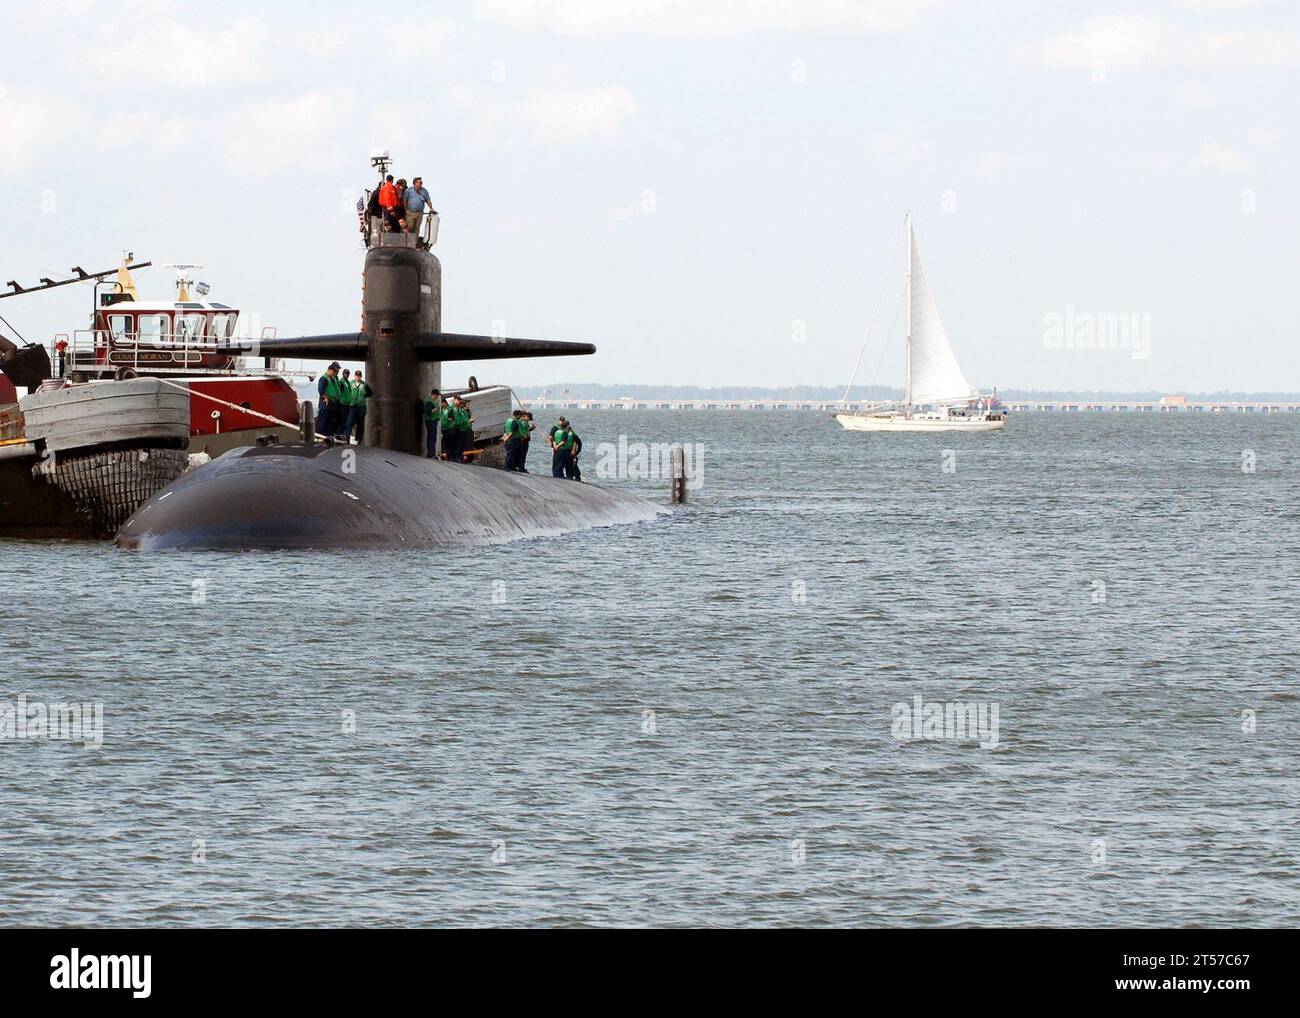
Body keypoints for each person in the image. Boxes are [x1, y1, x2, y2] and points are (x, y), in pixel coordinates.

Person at [404, 176, 435, 243]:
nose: (421, 184)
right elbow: (404, 200)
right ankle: (407, 242)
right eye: (419, 182)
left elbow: (428, 200)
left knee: (417, 228)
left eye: (421, 182)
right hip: (410, 212)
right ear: (415, 183)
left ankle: (414, 243)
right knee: (410, 227)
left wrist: (431, 208)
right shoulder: (409, 191)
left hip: (419, 213)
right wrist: (406, 209)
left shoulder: (424, 191)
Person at [346, 369, 373, 445]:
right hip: (352, 406)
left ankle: (359, 439)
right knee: (349, 422)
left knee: (360, 424)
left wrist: (364, 395)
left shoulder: (364, 385)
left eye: (359, 376)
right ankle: (347, 437)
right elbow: (346, 392)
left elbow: (371, 393)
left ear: (361, 376)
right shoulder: (350, 384)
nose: (358, 377)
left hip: (361, 407)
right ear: (355, 376)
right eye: (356, 376)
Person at [316, 362, 343, 438]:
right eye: (334, 371)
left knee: (330, 420)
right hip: (326, 402)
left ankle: (328, 435)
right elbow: (321, 390)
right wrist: (325, 398)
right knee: (323, 419)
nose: (335, 373)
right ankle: (319, 435)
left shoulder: (333, 379)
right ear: (329, 370)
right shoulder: (323, 378)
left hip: (333, 402)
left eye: (336, 371)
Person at [424, 387, 443, 457]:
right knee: (432, 437)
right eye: (437, 395)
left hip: (433, 421)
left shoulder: (433, 401)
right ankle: (431, 454)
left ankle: (431, 453)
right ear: (435, 394)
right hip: (431, 421)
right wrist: (436, 409)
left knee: (432, 437)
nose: (438, 397)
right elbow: (429, 412)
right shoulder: (429, 401)